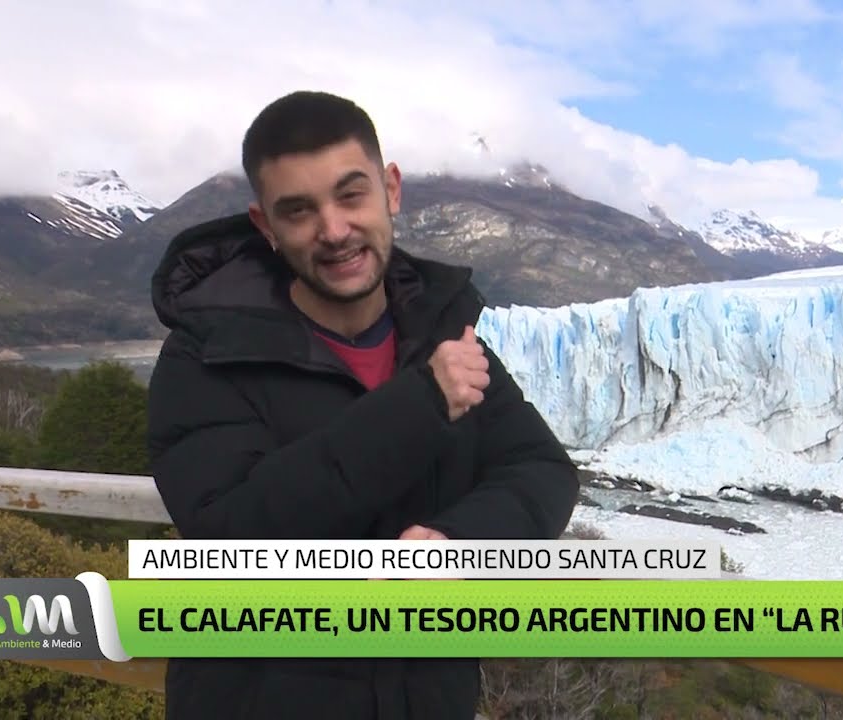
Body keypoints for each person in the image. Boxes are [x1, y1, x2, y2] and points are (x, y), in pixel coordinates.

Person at [145, 90, 580, 720]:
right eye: (298, 210)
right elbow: (230, 535)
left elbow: (541, 470)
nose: (334, 230)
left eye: (351, 194)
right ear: (265, 226)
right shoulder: (206, 358)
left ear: (390, 189)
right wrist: (420, 404)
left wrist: (456, 542)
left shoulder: (445, 333)